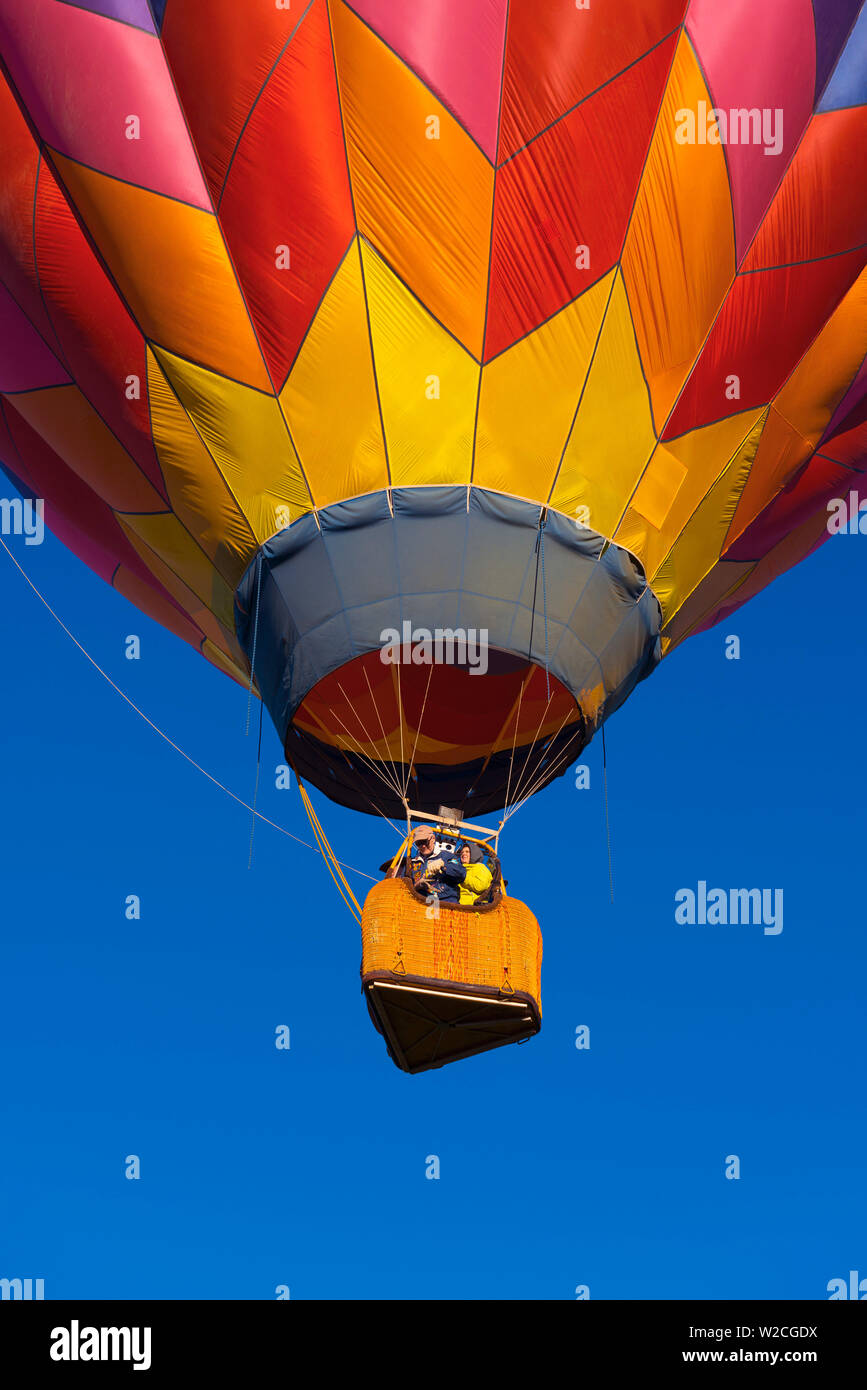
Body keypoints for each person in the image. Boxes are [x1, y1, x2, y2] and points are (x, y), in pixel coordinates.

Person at [392, 825, 466, 905]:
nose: (423, 846)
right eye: (419, 843)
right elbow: (403, 889)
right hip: (421, 906)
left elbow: (461, 874)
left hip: (446, 904)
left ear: (433, 838)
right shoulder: (411, 865)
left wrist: (443, 866)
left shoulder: (446, 856)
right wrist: (416, 886)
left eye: (425, 842)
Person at [456, 840, 494, 907]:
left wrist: (462, 877)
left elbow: (480, 886)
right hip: (457, 905)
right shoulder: (459, 869)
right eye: (462, 852)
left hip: (472, 908)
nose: (463, 854)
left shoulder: (480, 867)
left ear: (474, 854)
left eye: (467, 852)